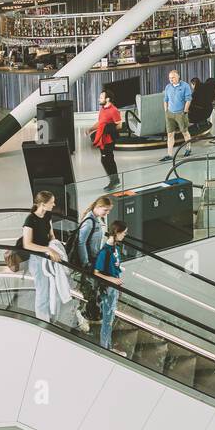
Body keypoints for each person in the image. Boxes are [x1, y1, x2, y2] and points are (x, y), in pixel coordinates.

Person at [73, 196, 113, 332]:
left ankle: (91, 314)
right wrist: (86, 263)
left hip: (95, 260)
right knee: (90, 289)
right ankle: (81, 315)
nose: (107, 213)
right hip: (89, 262)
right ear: (99, 206)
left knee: (95, 289)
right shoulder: (89, 221)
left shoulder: (96, 219)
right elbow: (81, 242)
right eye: (105, 210)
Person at [20, 191, 58, 322]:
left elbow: (51, 235)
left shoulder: (47, 215)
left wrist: (55, 246)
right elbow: (27, 244)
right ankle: (43, 321)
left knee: (50, 289)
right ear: (43, 204)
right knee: (42, 292)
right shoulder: (30, 220)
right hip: (37, 260)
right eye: (52, 202)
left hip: (47, 258)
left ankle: (49, 316)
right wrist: (48, 249)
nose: (54, 204)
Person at [93, 221, 128, 350]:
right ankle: (105, 347)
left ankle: (108, 345)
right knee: (107, 320)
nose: (125, 235)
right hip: (107, 289)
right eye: (123, 233)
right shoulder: (105, 252)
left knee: (111, 318)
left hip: (113, 288)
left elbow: (114, 265)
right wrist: (112, 280)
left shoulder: (115, 248)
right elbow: (96, 273)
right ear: (117, 233)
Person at [90, 90, 122, 191]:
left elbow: (119, 125)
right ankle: (114, 180)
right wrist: (91, 129)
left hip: (109, 139)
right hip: (102, 138)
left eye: (101, 97)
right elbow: (100, 122)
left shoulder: (114, 110)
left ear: (107, 99)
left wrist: (107, 129)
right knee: (105, 160)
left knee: (107, 160)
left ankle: (115, 181)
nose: (99, 99)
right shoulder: (103, 109)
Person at [161, 68, 193, 162]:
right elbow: (165, 99)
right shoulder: (168, 87)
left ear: (178, 76)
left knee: (184, 132)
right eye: (170, 78)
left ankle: (188, 148)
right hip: (170, 114)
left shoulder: (185, 86)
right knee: (170, 134)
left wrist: (185, 111)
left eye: (173, 77)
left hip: (180, 113)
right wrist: (166, 111)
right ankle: (169, 154)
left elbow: (188, 99)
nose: (171, 79)